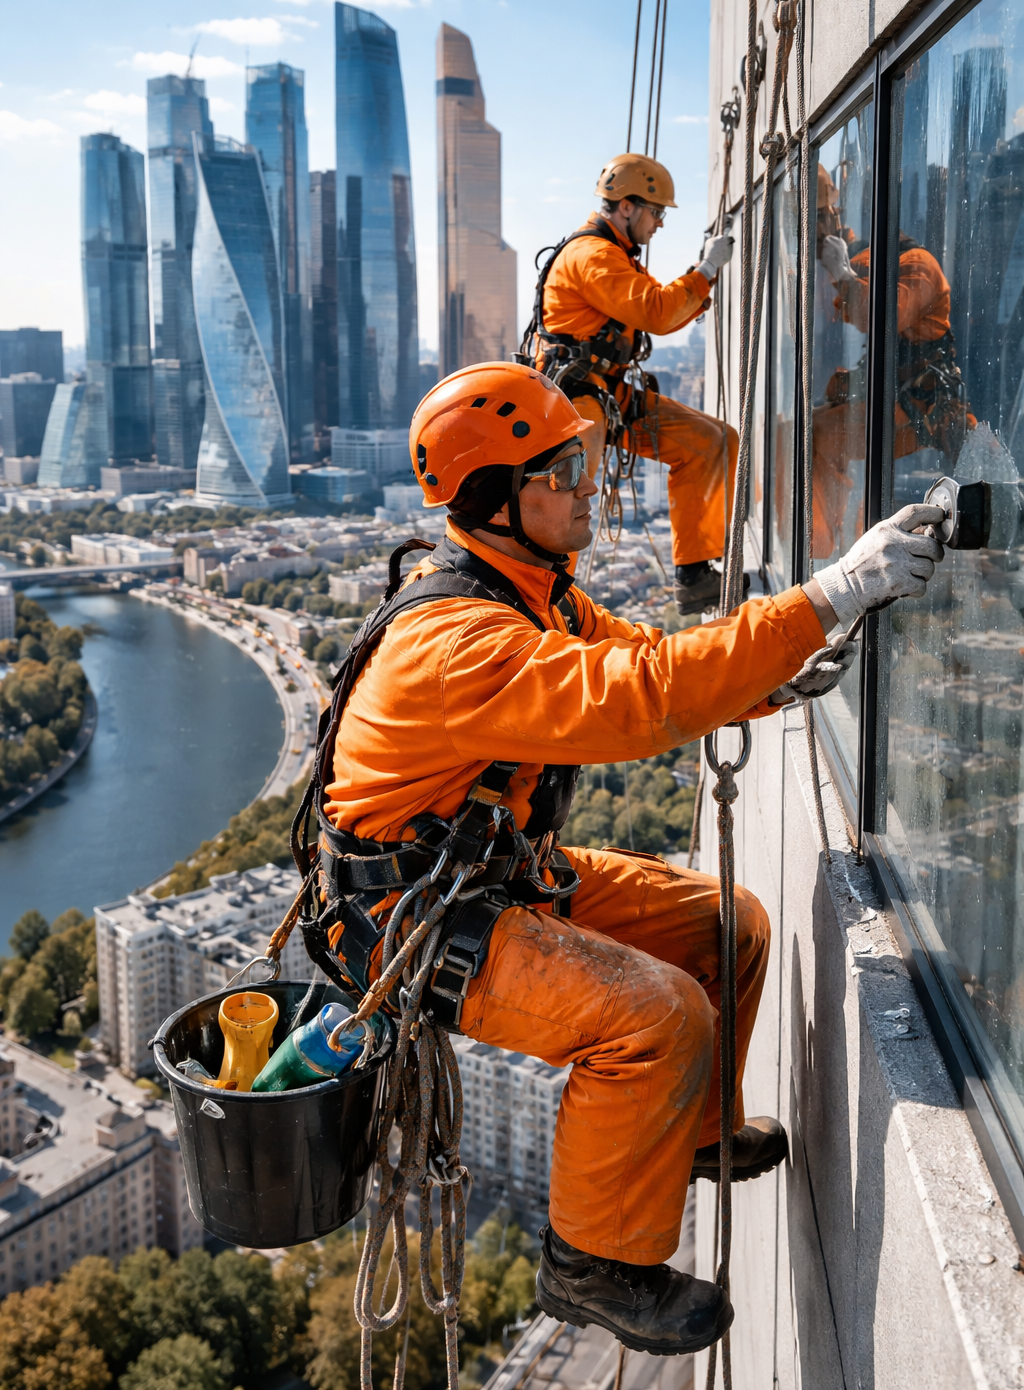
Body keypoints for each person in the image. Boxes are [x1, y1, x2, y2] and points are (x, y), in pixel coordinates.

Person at [314, 362, 944, 1357]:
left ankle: (693, 1130)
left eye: (584, 459)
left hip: (485, 882)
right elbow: (643, 696)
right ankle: (589, 1262)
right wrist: (830, 595)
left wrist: (783, 671)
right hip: (410, 926)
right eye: (562, 469)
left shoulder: (538, 600)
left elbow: (661, 663)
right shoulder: (463, 641)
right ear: (493, 500)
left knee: (724, 926)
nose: (588, 485)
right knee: (653, 1016)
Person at [520, 154, 737, 611]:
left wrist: (698, 287)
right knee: (569, 495)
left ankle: (695, 573)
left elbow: (658, 307)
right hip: (574, 400)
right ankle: (544, 600)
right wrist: (707, 270)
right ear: (626, 207)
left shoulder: (615, 256)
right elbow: (656, 312)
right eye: (656, 212)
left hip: (605, 393)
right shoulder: (593, 255)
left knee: (710, 440)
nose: (659, 224)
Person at [812, 165, 971, 557]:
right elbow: (858, 271)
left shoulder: (918, 266)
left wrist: (842, 274)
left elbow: (883, 317)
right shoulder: (880, 259)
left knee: (813, 434)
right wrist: (829, 245)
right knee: (807, 427)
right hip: (902, 400)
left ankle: (818, 543)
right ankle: (826, 540)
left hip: (920, 408)